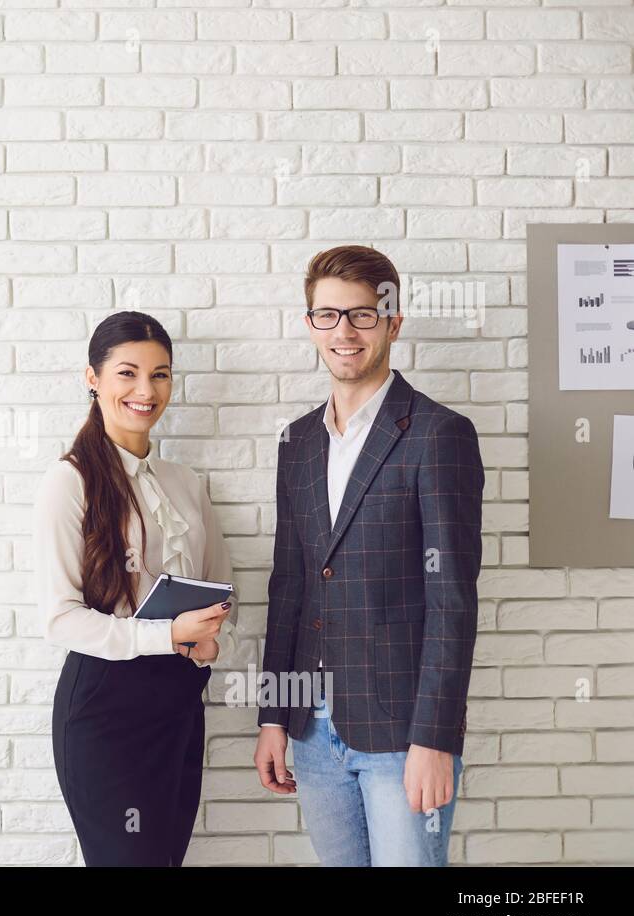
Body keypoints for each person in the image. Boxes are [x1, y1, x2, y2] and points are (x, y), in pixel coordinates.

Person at [253, 245, 484, 865]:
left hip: (403, 735)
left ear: (394, 322)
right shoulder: (297, 442)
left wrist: (436, 739)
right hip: (312, 731)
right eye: (327, 316)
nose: (345, 332)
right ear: (310, 325)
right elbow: (290, 586)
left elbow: (453, 600)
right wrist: (273, 713)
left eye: (362, 314)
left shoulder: (440, 435)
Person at [34, 310, 237, 867]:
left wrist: (214, 639)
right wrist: (166, 632)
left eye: (161, 374)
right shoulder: (69, 481)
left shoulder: (186, 484)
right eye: (127, 373)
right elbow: (59, 618)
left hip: (178, 704)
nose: (145, 390)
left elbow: (222, 590)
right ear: (92, 379)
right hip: (105, 710)